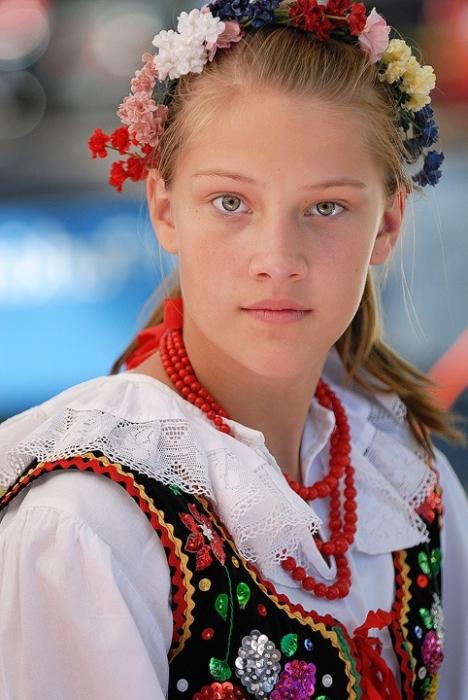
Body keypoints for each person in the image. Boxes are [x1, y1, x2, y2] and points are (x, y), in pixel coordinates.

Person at [0, 1, 466, 698]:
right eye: (230, 203)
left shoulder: (406, 476)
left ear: (388, 223)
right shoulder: (84, 526)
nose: (277, 259)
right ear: (164, 209)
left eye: (327, 207)